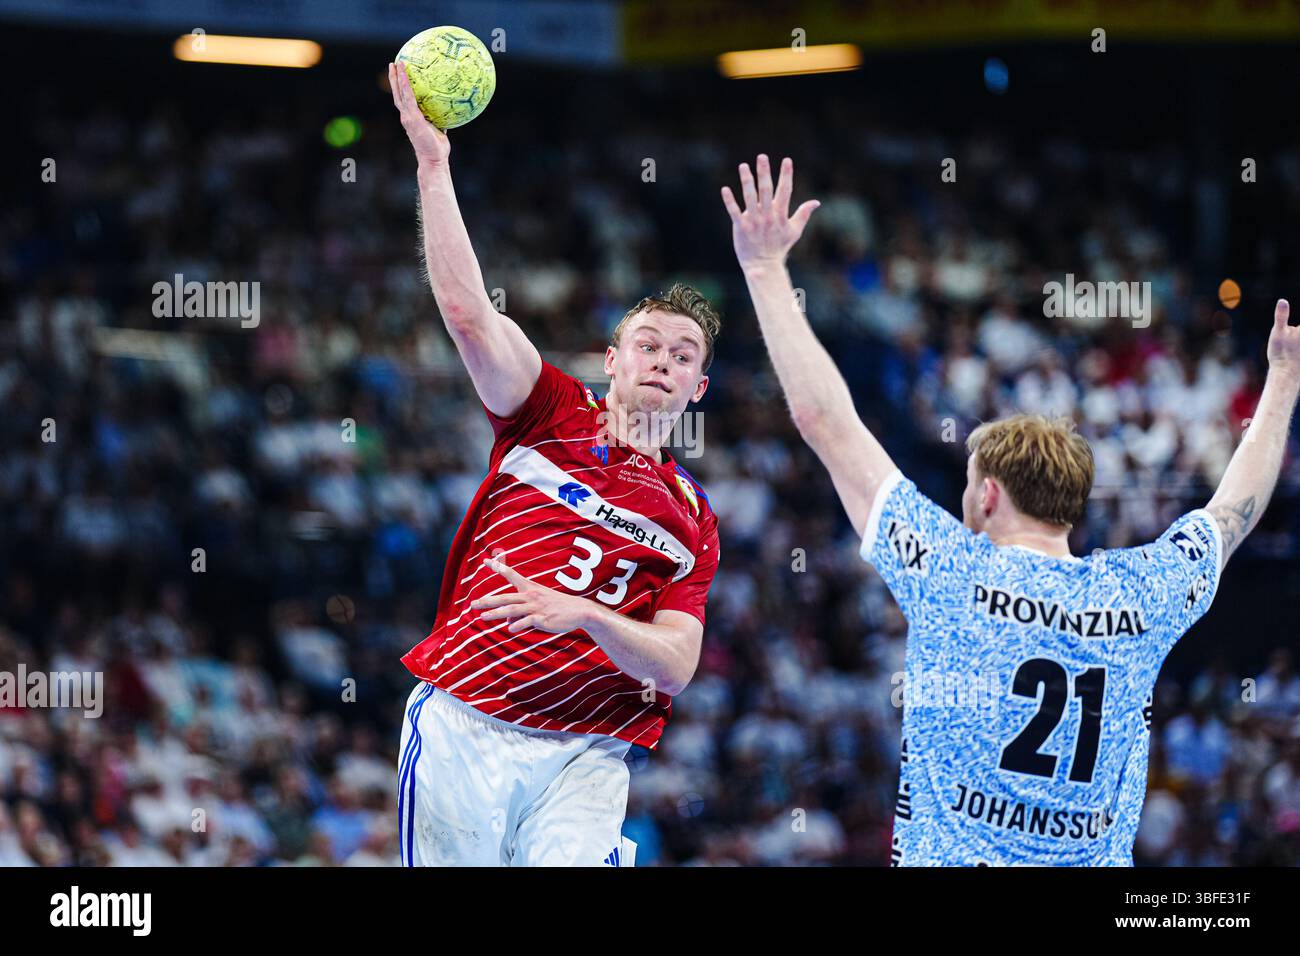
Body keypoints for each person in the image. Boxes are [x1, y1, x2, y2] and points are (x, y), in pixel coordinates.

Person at [721, 152, 1300, 865]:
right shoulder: (1141, 592)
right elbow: (1236, 504)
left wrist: (765, 272)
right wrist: (1283, 381)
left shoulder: (947, 565)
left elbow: (823, 421)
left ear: (988, 493)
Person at [387, 62, 721, 866]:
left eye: (684, 356)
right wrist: (434, 166)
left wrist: (590, 619)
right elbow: (469, 316)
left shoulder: (693, 518)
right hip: (467, 717)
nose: (663, 362)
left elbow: (674, 666)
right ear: (611, 359)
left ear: (698, 388)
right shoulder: (551, 411)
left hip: (586, 753)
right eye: (648, 344)